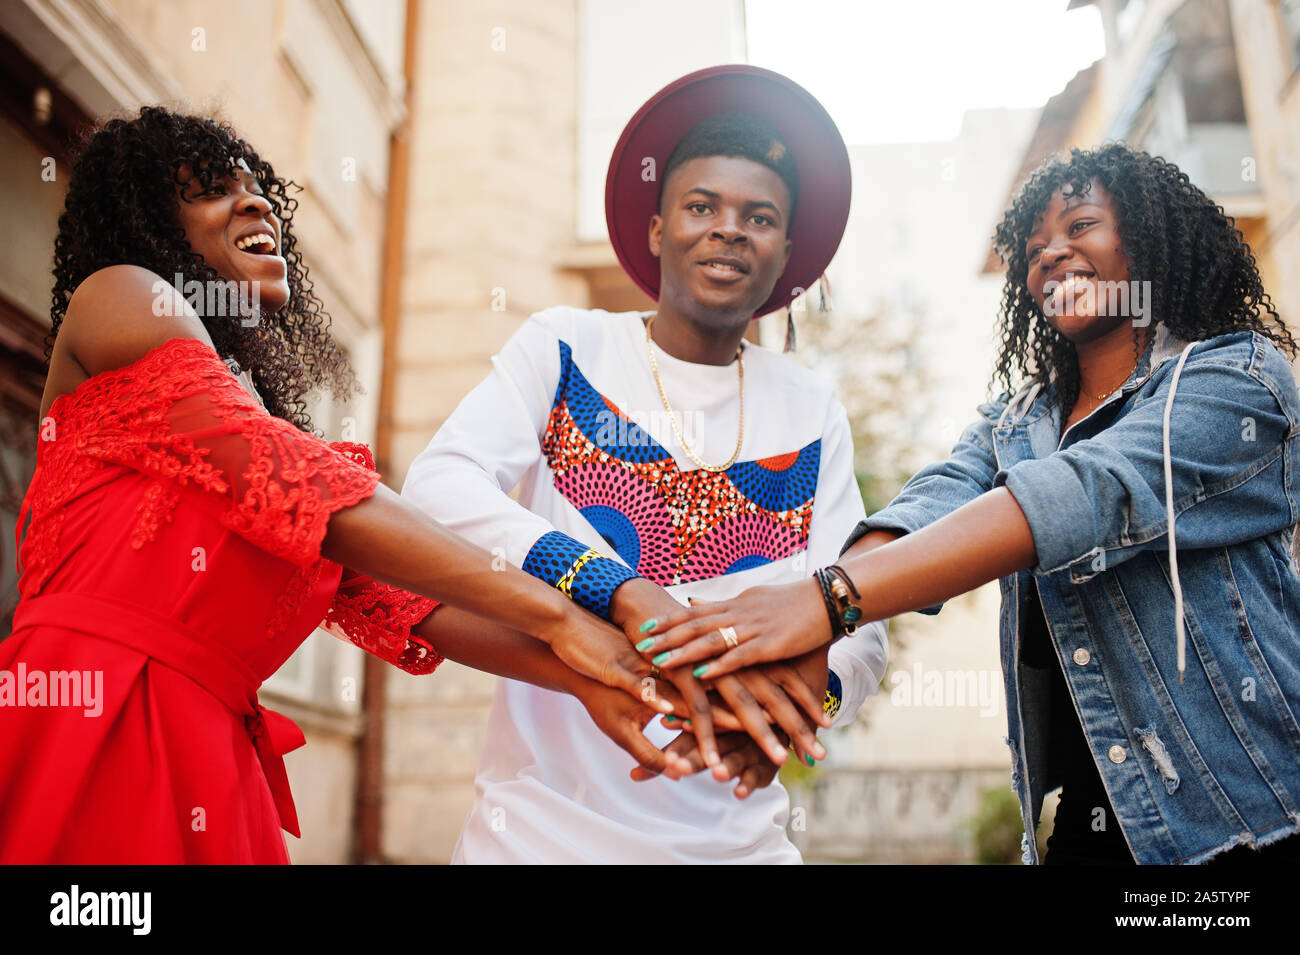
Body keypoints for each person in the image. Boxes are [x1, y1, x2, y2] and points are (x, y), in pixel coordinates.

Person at [0, 107, 683, 864]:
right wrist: (570, 615)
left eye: (259, 188)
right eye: (212, 189)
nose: (257, 203)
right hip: (88, 720)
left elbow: (420, 603)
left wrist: (602, 673)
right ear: (148, 222)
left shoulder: (246, 417)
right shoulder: (123, 296)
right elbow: (313, 492)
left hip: (211, 761)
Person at [642, 143, 1300, 865]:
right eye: (1035, 246)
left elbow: (1081, 493)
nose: (1051, 254)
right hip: (1094, 824)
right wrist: (813, 641)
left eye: (1080, 226)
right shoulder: (1017, 421)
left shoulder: (1235, 377)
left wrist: (826, 600)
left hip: (1252, 817)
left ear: (1149, 239)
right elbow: (929, 505)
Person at [402, 65, 889, 864]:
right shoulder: (567, 346)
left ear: (786, 252)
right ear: (659, 230)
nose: (729, 229)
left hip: (740, 839)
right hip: (535, 834)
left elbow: (857, 619)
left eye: (758, 216)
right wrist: (619, 590)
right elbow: (439, 487)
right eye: (701, 207)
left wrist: (794, 710)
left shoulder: (809, 405)